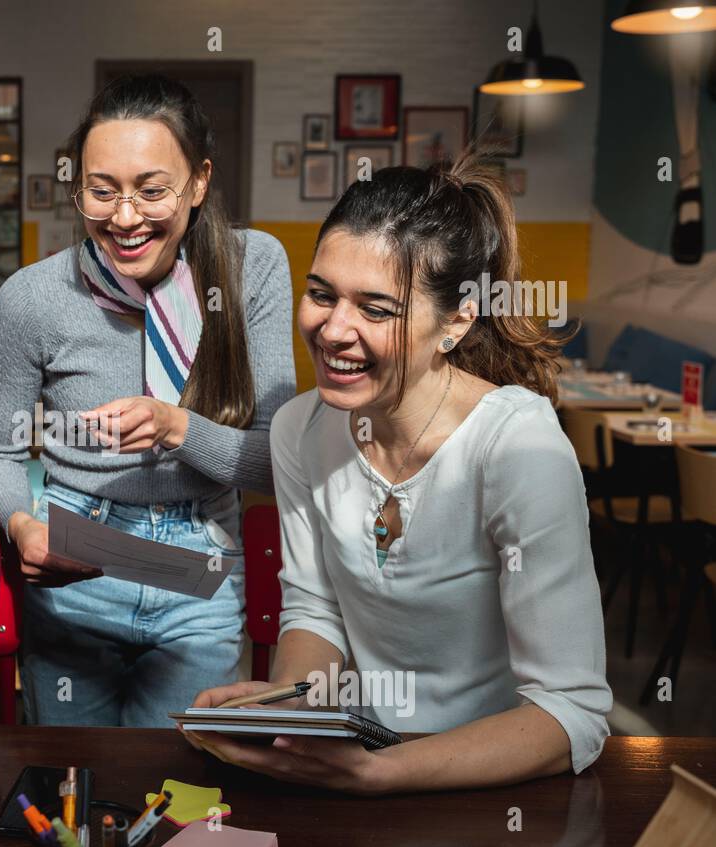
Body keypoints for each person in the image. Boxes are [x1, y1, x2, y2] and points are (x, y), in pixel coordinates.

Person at [187, 154, 612, 792]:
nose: (333, 330)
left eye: (376, 309)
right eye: (322, 294)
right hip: (362, 759)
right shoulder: (300, 430)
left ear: (458, 319)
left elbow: (571, 712)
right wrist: (291, 708)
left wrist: (382, 773)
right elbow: (316, 608)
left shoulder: (518, 445)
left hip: (494, 786)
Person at [0, 75, 295, 726]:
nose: (125, 217)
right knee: (71, 790)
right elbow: (0, 454)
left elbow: (273, 463)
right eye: (103, 191)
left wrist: (177, 427)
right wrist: (21, 528)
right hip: (75, 556)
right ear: (78, 189)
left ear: (199, 182)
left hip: (198, 562)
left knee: (180, 792)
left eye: (152, 190)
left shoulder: (251, 269)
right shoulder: (30, 297)